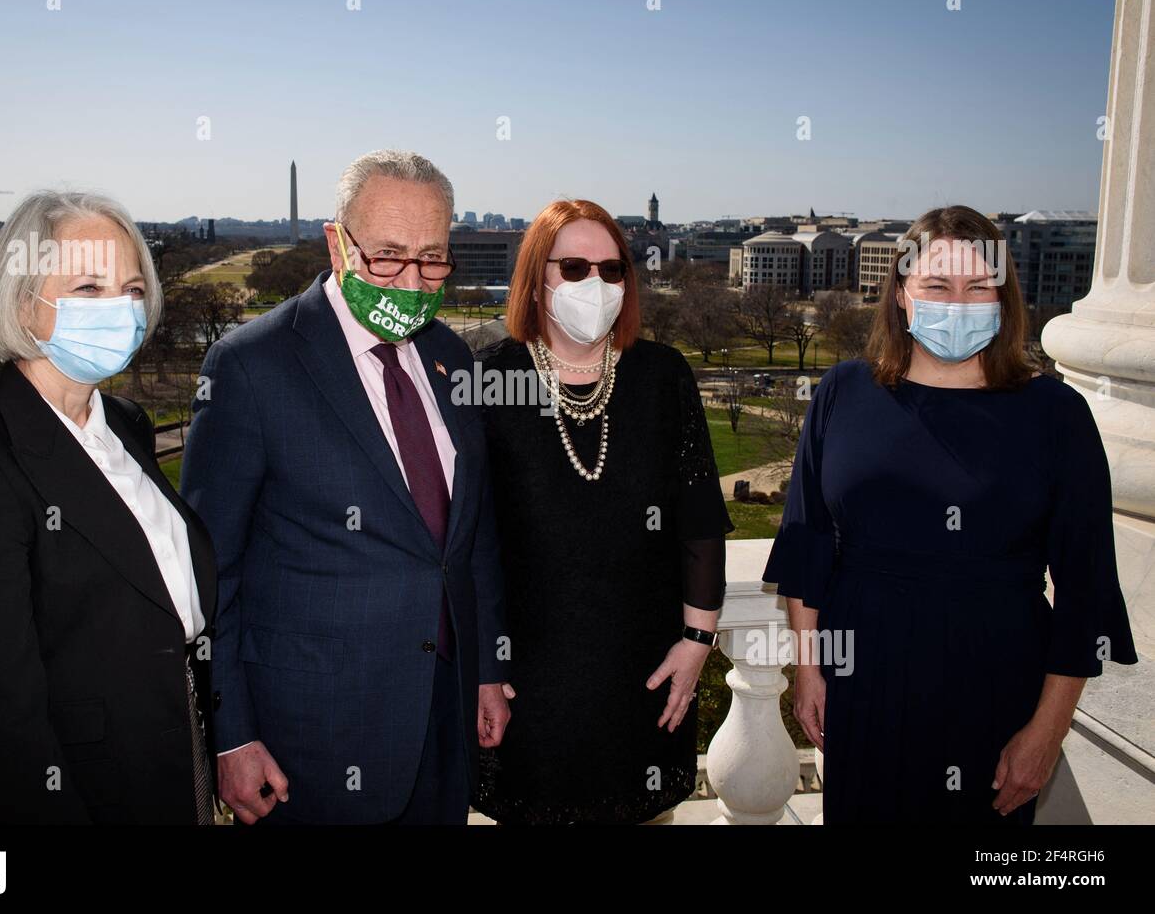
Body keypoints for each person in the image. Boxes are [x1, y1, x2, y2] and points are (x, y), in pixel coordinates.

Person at [764, 204, 1139, 824]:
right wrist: (810, 672)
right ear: (903, 294)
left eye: (977, 286)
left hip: (994, 684)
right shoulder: (843, 392)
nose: (956, 301)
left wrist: (1046, 733)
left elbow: (1085, 590)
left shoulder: (1055, 414)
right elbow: (809, 543)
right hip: (864, 679)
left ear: (1003, 296)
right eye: (937, 285)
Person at [183, 149, 511, 825]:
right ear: (337, 243)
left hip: (442, 720)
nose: (412, 281)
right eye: (388, 255)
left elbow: (470, 534)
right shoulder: (249, 366)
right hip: (310, 741)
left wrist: (485, 669)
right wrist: (232, 731)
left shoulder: (450, 354)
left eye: (433, 258)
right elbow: (213, 570)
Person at [0, 191, 218, 823]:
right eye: (88, 287)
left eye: (132, 288)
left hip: (174, 760)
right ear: (25, 303)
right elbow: (2, 720)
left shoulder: (126, 424)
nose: (121, 308)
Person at [471, 199, 733, 824]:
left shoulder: (663, 376)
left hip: (643, 676)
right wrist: (485, 667)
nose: (597, 284)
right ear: (537, 279)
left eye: (613, 270)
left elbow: (699, 522)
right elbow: (472, 543)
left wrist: (698, 641)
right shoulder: (487, 380)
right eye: (575, 267)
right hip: (528, 682)